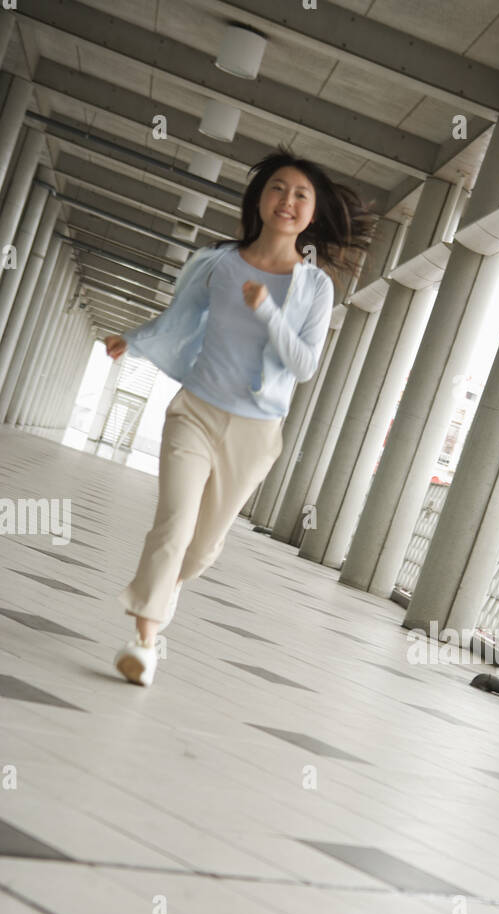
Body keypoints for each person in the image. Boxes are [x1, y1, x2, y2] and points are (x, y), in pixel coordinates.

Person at [106, 147, 374, 686]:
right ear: (260, 198)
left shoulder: (316, 287)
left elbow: (302, 365)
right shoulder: (218, 262)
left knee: (201, 548)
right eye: (278, 188)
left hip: (256, 430)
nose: (287, 201)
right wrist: (132, 341)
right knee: (174, 524)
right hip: (196, 411)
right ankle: (144, 641)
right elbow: (179, 316)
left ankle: (165, 592)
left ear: (313, 213)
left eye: (301, 194)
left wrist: (268, 311)